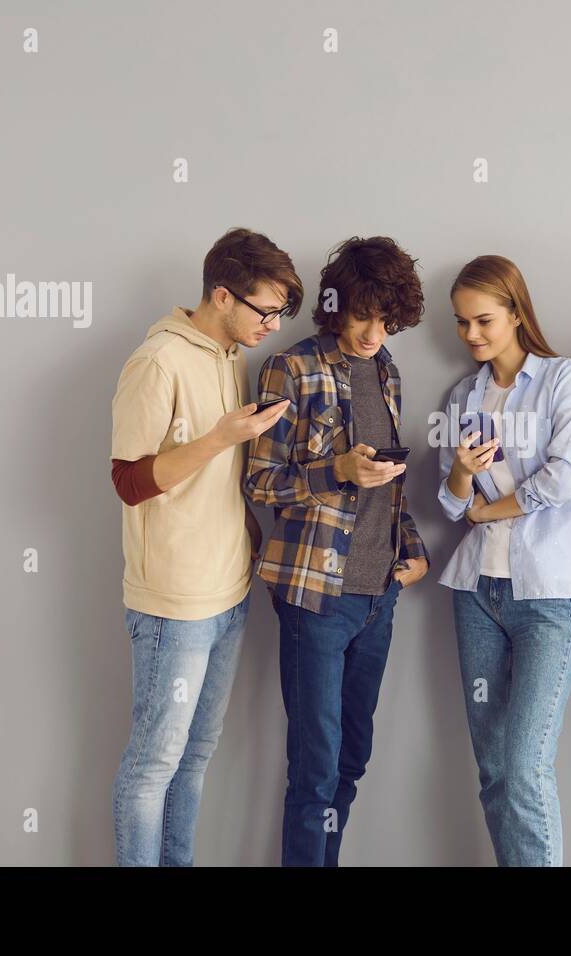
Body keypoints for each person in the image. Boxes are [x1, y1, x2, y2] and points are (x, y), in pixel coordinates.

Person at [110, 227, 303, 866]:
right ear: (222, 295)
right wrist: (221, 439)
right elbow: (129, 481)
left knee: (194, 756)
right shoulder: (157, 360)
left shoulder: (229, 355)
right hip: (175, 601)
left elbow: (219, 481)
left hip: (230, 589)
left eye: (281, 312)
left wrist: (247, 533)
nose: (273, 325)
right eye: (265, 310)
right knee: (153, 761)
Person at [244, 236, 430, 867]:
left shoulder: (389, 374)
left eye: (386, 319)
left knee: (352, 760)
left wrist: (413, 549)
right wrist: (336, 471)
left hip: (380, 593)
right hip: (315, 597)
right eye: (361, 316)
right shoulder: (289, 369)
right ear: (335, 306)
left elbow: (391, 484)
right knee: (315, 772)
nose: (374, 332)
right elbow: (259, 481)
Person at [437, 255, 571, 866]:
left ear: (516, 311)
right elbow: (450, 505)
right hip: (476, 592)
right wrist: (462, 474)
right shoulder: (463, 395)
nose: (472, 335)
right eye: (461, 323)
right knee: (493, 765)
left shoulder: (565, 380)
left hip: (547, 594)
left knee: (526, 765)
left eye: (483, 320)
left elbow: (565, 478)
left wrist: (491, 509)